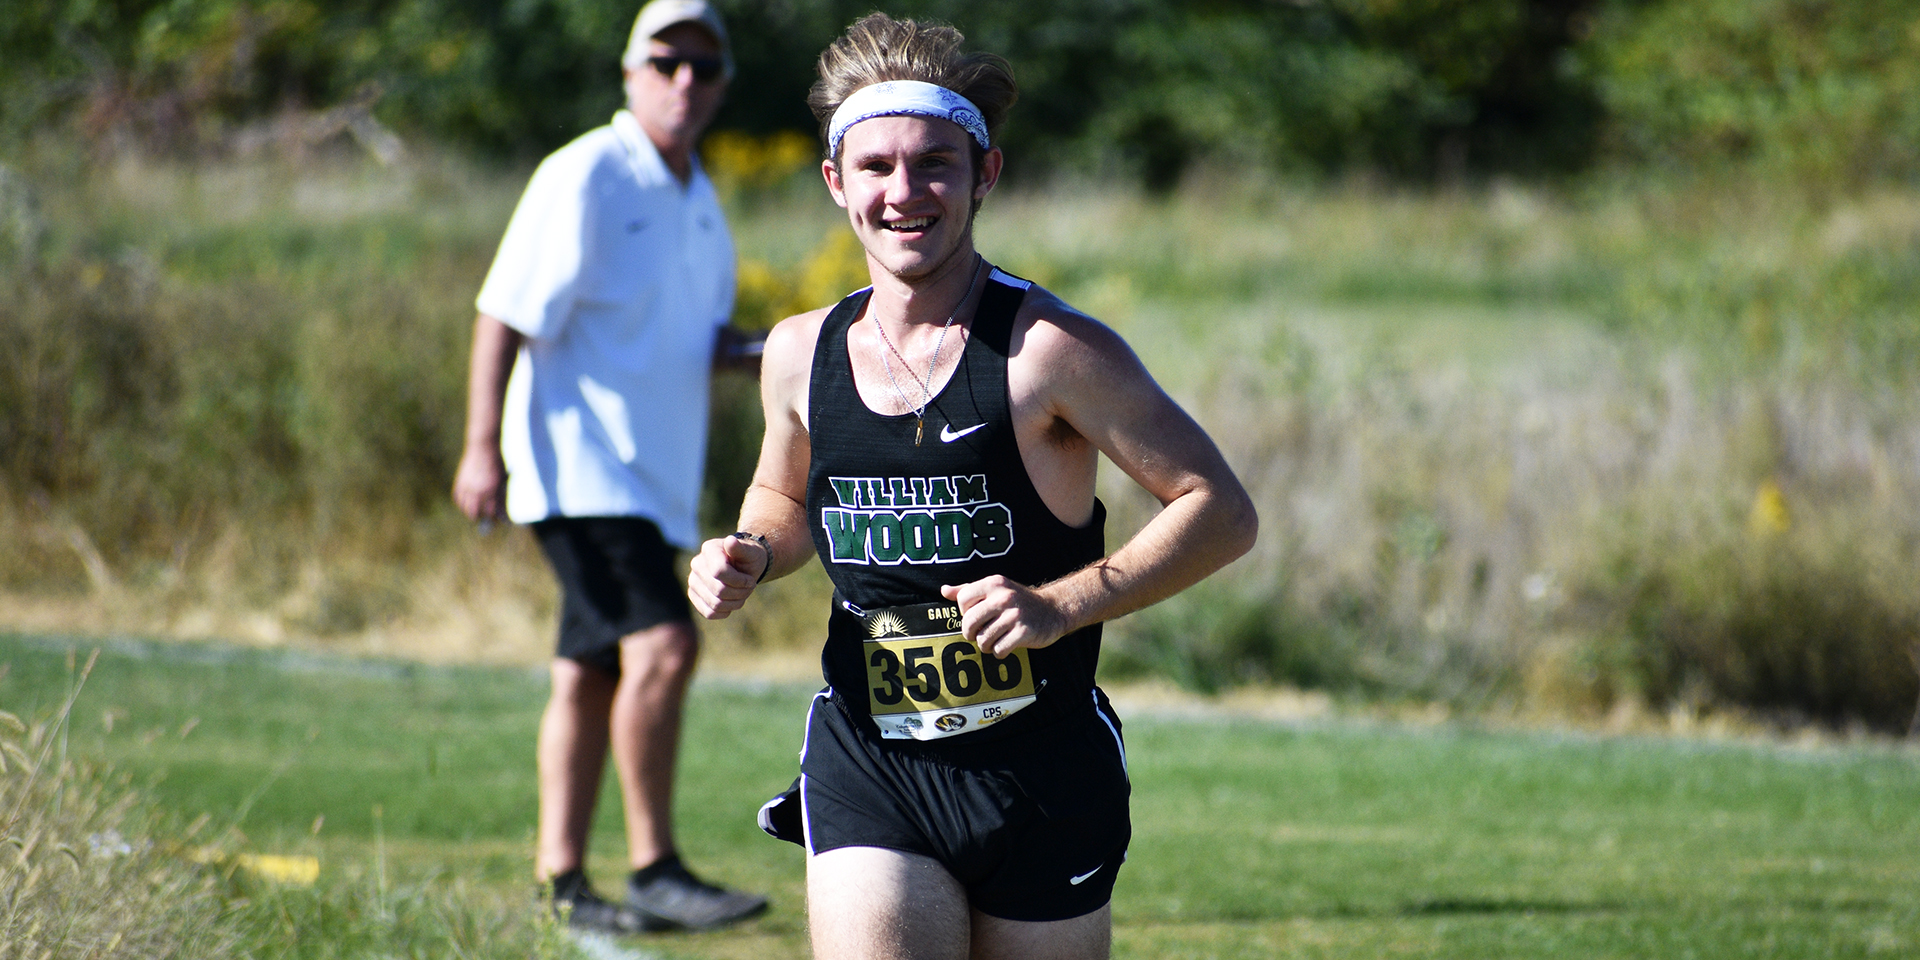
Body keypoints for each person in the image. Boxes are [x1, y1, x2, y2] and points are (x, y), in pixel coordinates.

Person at [685, 13, 1258, 959]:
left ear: (984, 173)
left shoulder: (1050, 353)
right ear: (837, 183)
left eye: (935, 164)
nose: (904, 192)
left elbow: (1218, 508)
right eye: (875, 168)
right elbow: (785, 503)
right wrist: (746, 554)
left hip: (1039, 768)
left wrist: (1060, 604)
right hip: (873, 755)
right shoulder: (798, 352)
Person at [451, 0, 767, 936]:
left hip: (648, 481)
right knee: (666, 645)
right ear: (630, 71)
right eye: (667, 61)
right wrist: (479, 448)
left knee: (588, 673)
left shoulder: (699, 195)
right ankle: (655, 868)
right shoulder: (587, 170)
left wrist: (796, 349)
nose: (685, 82)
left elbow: (696, 341)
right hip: (577, 468)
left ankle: (561, 881)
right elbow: (503, 311)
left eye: (705, 68)